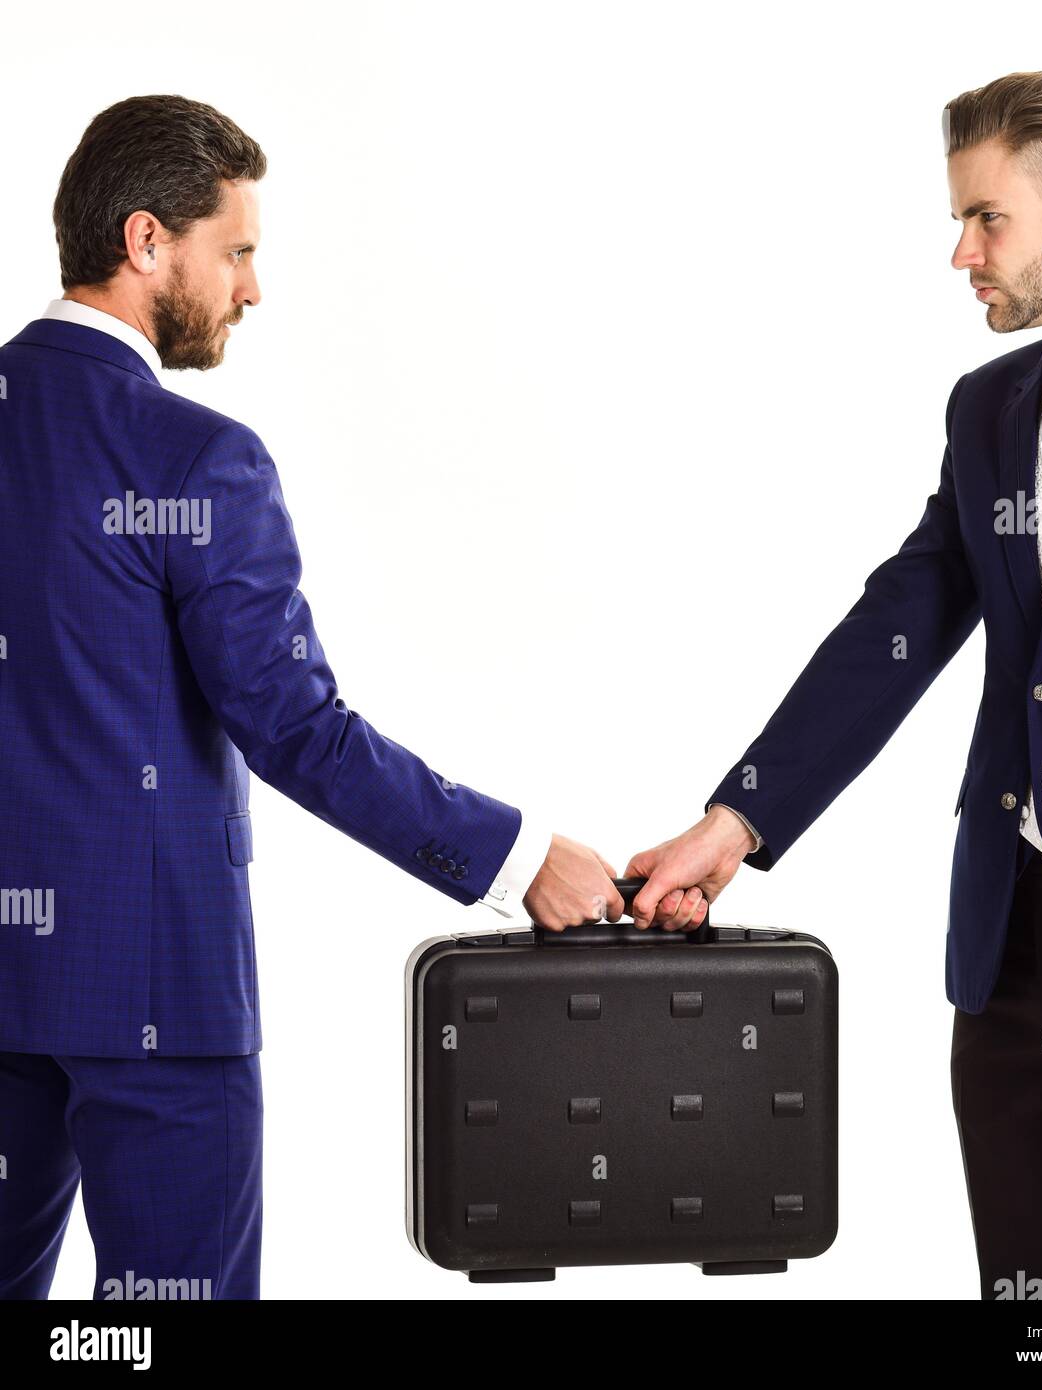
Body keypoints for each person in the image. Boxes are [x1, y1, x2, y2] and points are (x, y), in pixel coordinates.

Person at [0, 94, 625, 1300]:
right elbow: (293, 726)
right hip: (155, 994)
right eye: (234, 250)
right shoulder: (197, 458)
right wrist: (517, 854)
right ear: (145, 243)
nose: (251, 288)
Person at [627, 68, 1042, 1300]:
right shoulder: (990, 411)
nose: (961, 253)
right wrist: (736, 820)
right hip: (1009, 950)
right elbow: (904, 618)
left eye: (986, 218)